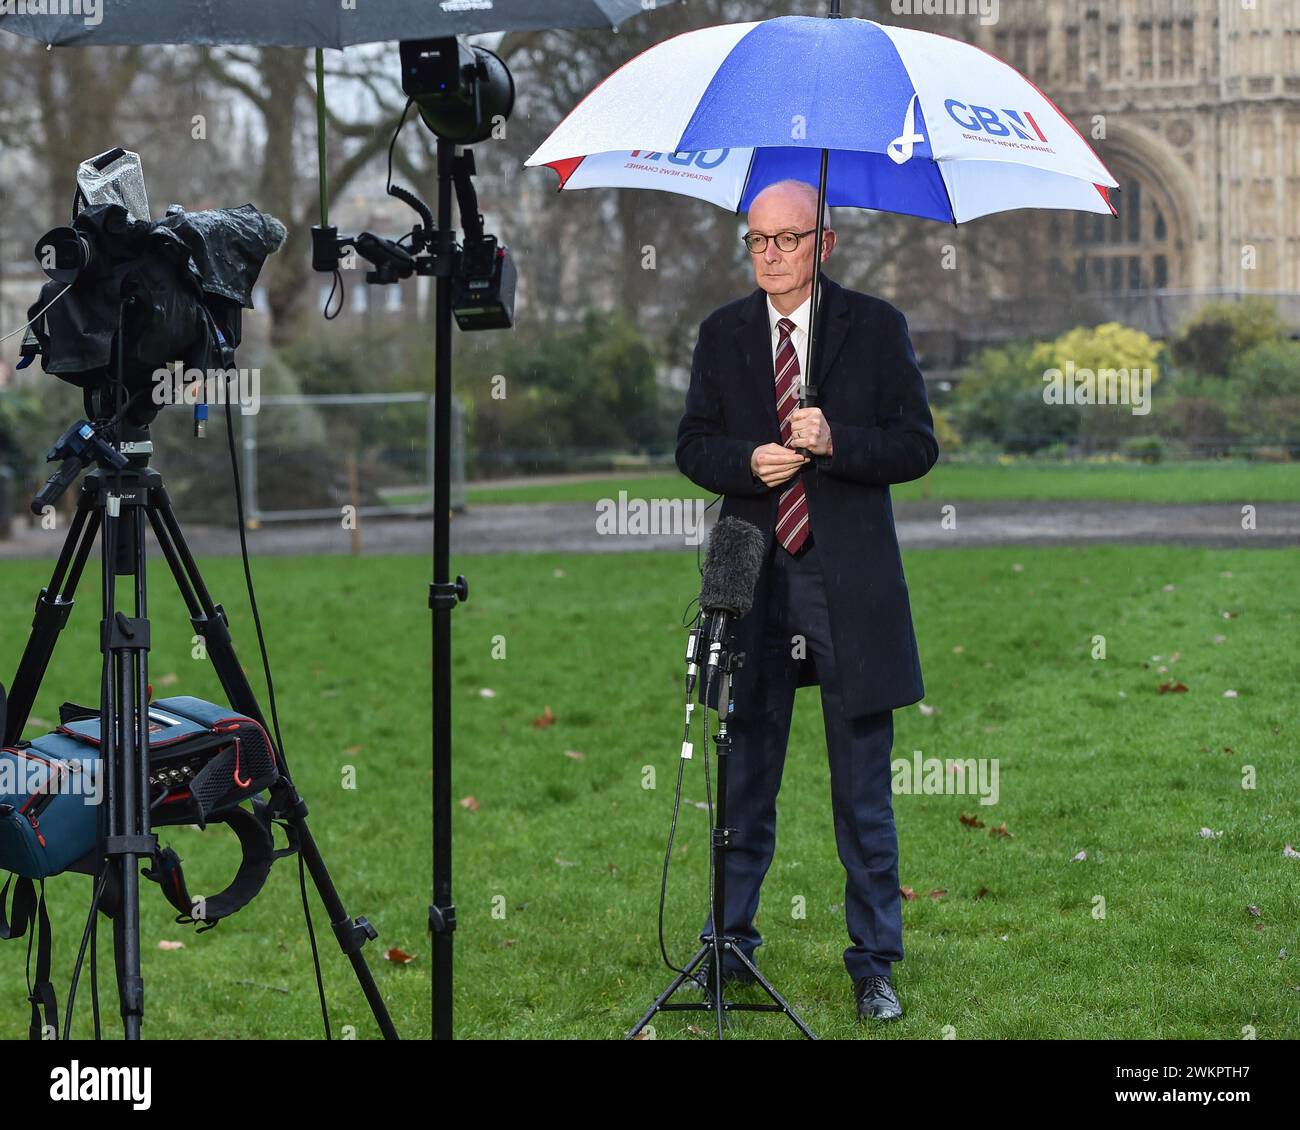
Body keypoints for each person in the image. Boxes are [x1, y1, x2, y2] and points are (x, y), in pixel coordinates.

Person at [675, 178, 938, 1021]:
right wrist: (748, 463)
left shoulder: (876, 327)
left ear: (823, 244)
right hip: (752, 578)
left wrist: (836, 441)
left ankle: (874, 964)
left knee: (862, 786)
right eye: (757, 241)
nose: (771, 255)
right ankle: (731, 948)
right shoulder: (721, 334)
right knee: (744, 770)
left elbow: (917, 446)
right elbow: (692, 447)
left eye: (788, 240)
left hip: (846, 582)